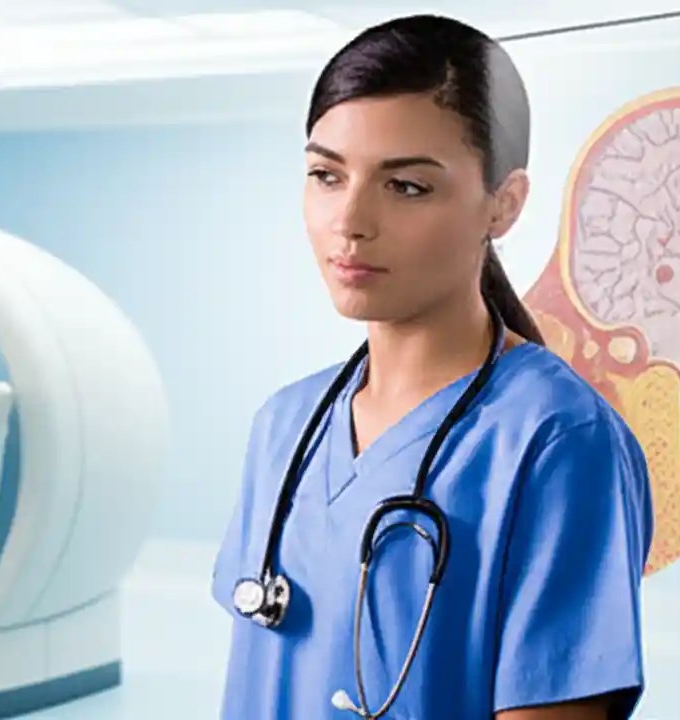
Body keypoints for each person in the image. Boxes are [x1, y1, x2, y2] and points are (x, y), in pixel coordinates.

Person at [211, 14, 654, 720]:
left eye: (406, 187)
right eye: (327, 175)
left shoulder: (557, 442)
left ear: (503, 205)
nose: (350, 220)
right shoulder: (285, 426)